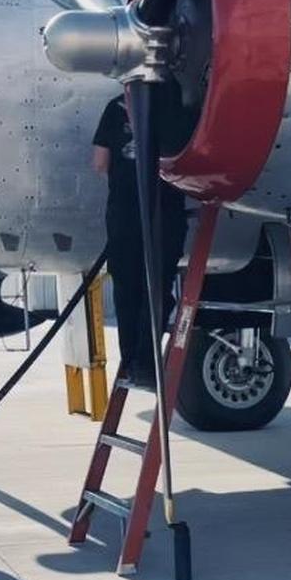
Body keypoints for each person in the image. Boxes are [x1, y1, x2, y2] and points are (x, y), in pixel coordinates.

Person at [92, 93, 188, 389]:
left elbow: (100, 162)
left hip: (124, 212)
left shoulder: (114, 107)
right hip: (163, 212)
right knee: (156, 288)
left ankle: (133, 363)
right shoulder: (173, 106)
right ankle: (146, 365)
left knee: (127, 289)